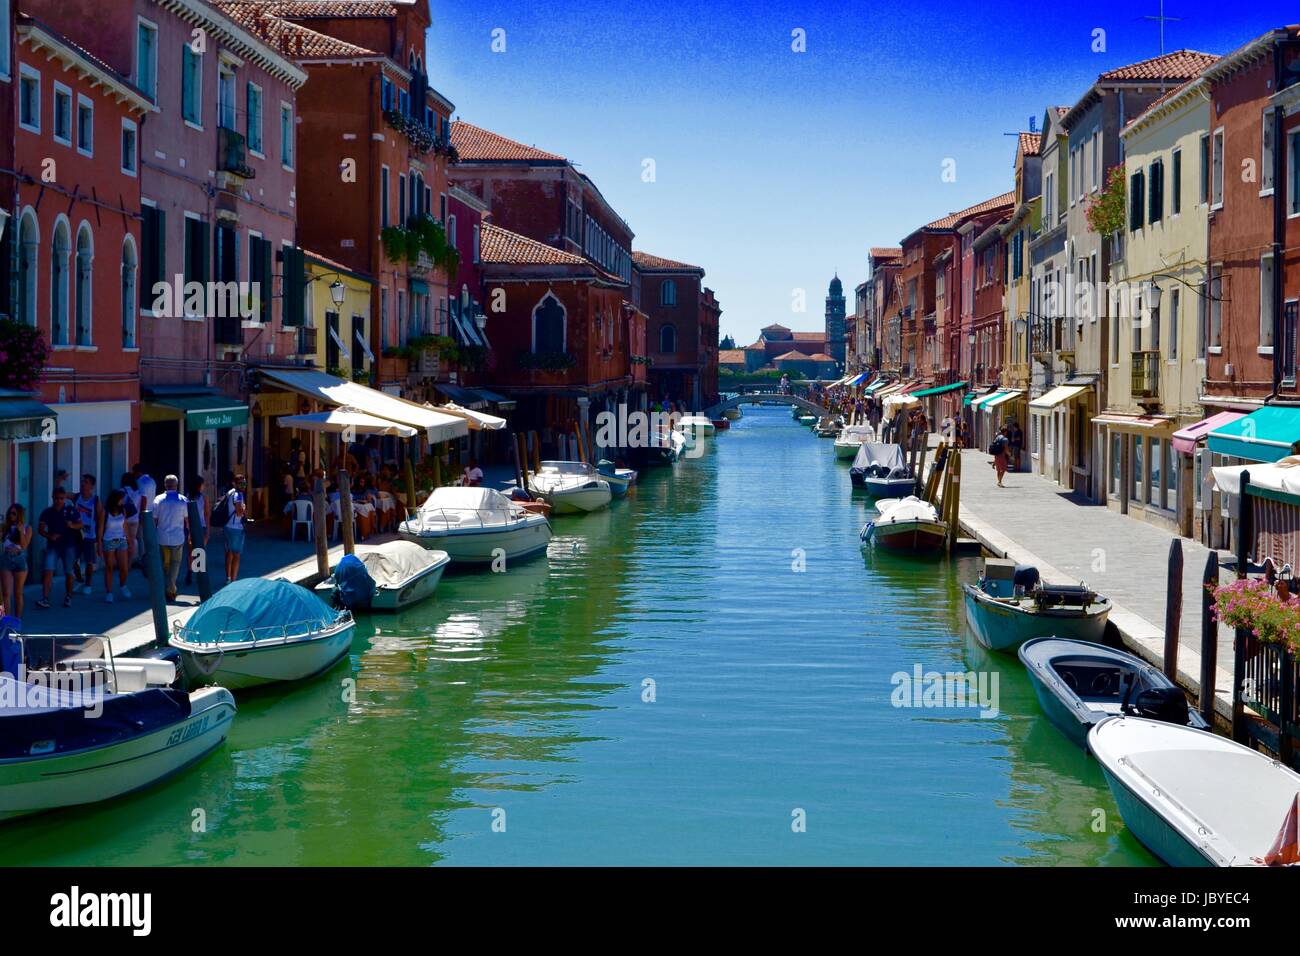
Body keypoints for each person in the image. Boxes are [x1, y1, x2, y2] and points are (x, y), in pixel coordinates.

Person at [37, 488, 82, 609]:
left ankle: (68, 595)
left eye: (61, 498)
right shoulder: (47, 512)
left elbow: (80, 524)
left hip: (69, 546)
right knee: (48, 571)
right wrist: (49, 535)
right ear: (52, 498)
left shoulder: (70, 511)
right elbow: (40, 530)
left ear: (65, 498)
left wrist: (72, 525)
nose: (58, 501)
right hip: (53, 546)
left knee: (68, 572)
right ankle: (45, 598)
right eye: (56, 498)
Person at [152, 476, 189, 602]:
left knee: (164, 564)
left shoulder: (158, 499)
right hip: (177, 538)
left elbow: (154, 520)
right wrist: (190, 534)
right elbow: (187, 519)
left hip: (161, 537)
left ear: (165, 485)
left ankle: (165, 589)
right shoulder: (183, 500)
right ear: (177, 485)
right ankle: (171, 589)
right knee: (175, 564)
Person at [97, 490, 132, 603]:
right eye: (121, 498)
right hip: (109, 540)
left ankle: (123, 585)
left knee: (124, 568)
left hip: (121, 539)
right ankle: (109, 592)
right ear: (116, 499)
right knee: (109, 567)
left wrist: (129, 539)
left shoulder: (123, 510)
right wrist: (99, 544)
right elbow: (101, 528)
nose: (123, 500)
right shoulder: (105, 511)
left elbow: (125, 525)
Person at [1, 504, 32, 619]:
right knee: (6, 593)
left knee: (18, 593)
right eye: (10, 513)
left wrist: (20, 531)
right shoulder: (5, 527)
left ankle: (17, 620)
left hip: (20, 559)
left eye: (14, 513)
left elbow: (24, 545)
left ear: (19, 514)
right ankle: (6, 620)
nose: (11, 515)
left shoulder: (27, 528)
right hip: (6, 559)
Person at [72, 474, 100, 596]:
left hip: (89, 535)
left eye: (86, 482)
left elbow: (100, 518)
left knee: (89, 562)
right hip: (75, 534)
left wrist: (99, 538)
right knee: (72, 560)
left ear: (92, 486)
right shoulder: (76, 497)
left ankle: (88, 584)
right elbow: (61, 494)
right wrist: (59, 481)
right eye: (82, 481)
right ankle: (79, 578)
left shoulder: (96, 500)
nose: (83, 484)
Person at [221, 475, 248, 583]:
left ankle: (228, 578)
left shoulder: (230, 492)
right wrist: (244, 509)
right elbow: (238, 512)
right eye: (241, 483)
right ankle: (233, 580)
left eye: (245, 483)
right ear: (235, 483)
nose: (243, 486)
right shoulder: (238, 495)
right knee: (236, 555)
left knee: (228, 553)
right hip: (236, 528)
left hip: (227, 526)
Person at [185, 477, 209, 586]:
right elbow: (207, 514)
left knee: (190, 552)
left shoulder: (187, 497)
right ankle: (200, 574)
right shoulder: (204, 498)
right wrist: (208, 531)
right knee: (200, 551)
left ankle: (190, 571)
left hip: (190, 526)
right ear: (199, 485)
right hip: (201, 526)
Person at [119, 473, 141, 572]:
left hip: (124, 519)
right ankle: (129, 563)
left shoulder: (121, 491)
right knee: (131, 541)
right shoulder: (138, 492)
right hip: (135, 519)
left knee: (122, 541)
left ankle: (122, 562)